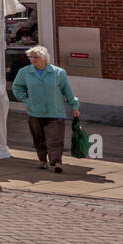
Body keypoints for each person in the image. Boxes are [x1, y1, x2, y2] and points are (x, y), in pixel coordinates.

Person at [12, 45, 80, 173]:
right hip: (35, 111)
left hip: (55, 111)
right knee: (39, 138)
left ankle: (56, 162)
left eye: (35, 57)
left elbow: (67, 91)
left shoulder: (58, 73)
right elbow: (17, 88)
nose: (32, 60)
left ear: (44, 58)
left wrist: (74, 106)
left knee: (55, 138)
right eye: (31, 57)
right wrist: (26, 100)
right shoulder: (25, 72)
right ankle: (42, 160)